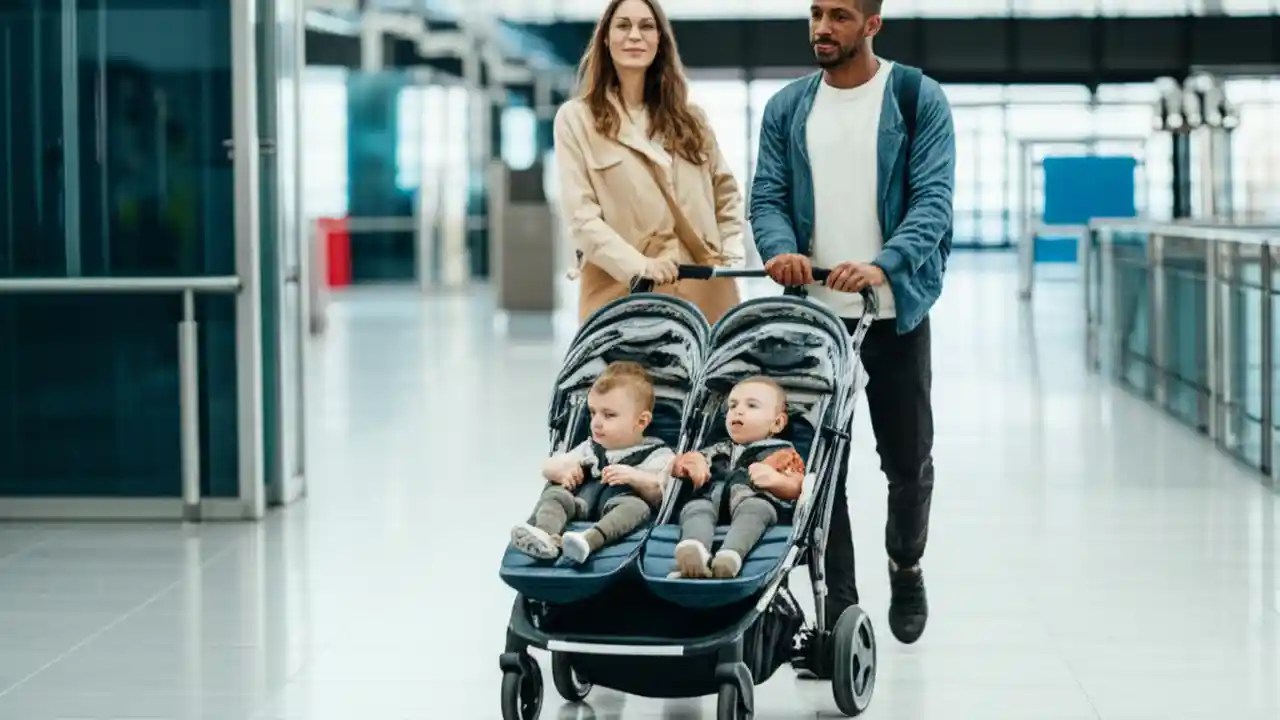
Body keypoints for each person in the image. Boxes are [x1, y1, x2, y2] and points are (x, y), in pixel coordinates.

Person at [749, 0, 955, 649]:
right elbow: (768, 197)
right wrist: (781, 250)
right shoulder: (787, 108)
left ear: (872, 24)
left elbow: (933, 201)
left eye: (838, 15)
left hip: (892, 314)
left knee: (907, 459)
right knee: (819, 465)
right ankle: (841, 603)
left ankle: (907, 561)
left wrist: (881, 266)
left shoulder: (916, 99)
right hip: (814, 320)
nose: (821, 28)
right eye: (814, 12)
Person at [554, 0, 746, 325]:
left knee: (715, 376)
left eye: (646, 26)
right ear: (605, 38)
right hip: (622, 295)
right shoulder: (577, 119)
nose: (634, 36)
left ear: (660, 40)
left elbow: (726, 196)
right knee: (627, 378)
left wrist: (727, 258)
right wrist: (640, 266)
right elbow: (582, 219)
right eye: (623, 25)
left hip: (705, 293)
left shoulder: (691, 121)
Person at [510, 361, 675, 564]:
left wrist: (635, 477)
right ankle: (544, 534)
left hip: (619, 509)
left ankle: (588, 541)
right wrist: (561, 471)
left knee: (637, 507)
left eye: (609, 415)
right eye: (592, 412)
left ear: (641, 421)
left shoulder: (658, 453)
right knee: (555, 493)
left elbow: (661, 492)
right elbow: (549, 466)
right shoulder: (588, 447)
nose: (596, 422)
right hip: (582, 506)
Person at [668, 377, 805, 579]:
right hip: (712, 500)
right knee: (695, 508)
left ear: (777, 423)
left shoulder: (783, 453)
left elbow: (799, 485)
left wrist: (778, 481)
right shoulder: (718, 448)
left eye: (751, 406)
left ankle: (731, 555)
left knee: (756, 509)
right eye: (732, 406)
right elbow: (677, 466)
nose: (738, 411)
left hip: (755, 502)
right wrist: (690, 462)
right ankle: (694, 550)